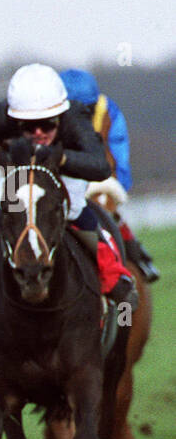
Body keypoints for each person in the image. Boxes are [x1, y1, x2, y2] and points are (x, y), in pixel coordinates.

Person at [0, 63, 134, 304]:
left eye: (48, 124)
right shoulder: (4, 114)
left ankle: (114, 275)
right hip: (19, 176)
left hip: (63, 174)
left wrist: (61, 157)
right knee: (0, 211)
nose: (39, 132)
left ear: (60, 115)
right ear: (16, 119)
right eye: (29, 126)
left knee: (76, 209)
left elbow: (100, 166)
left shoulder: (74, 116)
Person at [58, 68, 158, 282]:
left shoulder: (109, 112)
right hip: (63, 182)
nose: (81, 114)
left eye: (87, 108)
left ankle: (138, 259)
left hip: (100, 177)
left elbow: (118, 151)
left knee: (109, 213)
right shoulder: (49, 116)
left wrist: (118, 184)